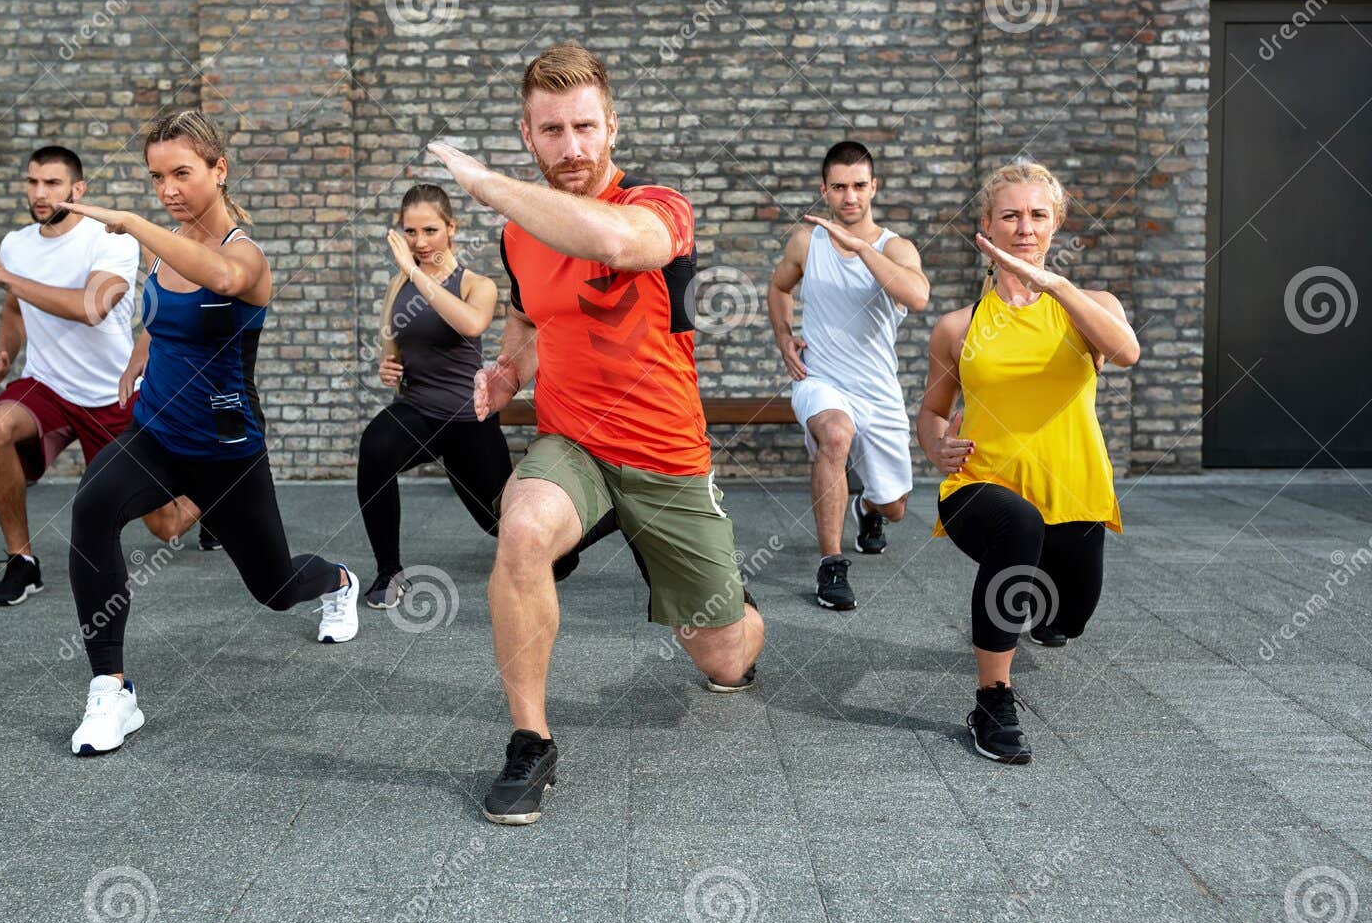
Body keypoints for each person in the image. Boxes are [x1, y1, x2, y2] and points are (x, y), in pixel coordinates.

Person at [431, 42, 765, 826]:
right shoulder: (520, 234)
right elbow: (525, 314)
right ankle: (531, 741)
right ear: (528, 133)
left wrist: (488, 186)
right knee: (519, 531)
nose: (571, 148)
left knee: (724, 657)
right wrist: (510, 372)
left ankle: (732, 605)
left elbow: (618, 244)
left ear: (612, 125)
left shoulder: (660, 205)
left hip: (665, 455)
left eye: (585, 126)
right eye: (552, 131)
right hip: (573, 444)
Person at [54, 110, 359, 756]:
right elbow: (164, 310)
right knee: (90, 508)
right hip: (158, 431)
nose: (167, 189)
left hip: (227, 451)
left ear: (219, 170)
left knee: (274, 587)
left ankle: (337, 582)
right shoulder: (168, 245)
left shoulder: (245, 253)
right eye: (156, 176)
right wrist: (141, 347)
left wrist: (134, 226)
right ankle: (112, 689)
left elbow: (222, 281)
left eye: (182, 173)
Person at [917, 161, 1139, 765]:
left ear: (1055, 224)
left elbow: (1126, 352)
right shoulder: (958, 327)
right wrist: (935, 444)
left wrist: (1055, 286)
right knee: (1017, 527)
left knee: (1067, 615)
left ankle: (1041, 610)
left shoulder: (1089, 306)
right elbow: (932, 412)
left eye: (1037, 215)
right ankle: (992, 698)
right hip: (979, 488)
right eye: (1009, 215)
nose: (1024, 227)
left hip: (1073, 494)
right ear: (985, 227)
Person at [0, 146, 195, 608]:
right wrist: (6, 352)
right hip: (48, 386)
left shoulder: (112, 240)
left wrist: (6, 278)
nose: (40, 193)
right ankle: (22, 561)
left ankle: (210, 491)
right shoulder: (16, 245)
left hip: (112, 396)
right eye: (32, 182)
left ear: (77, 190)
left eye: (53, 184)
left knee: (166, 526)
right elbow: (14, 308)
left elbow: (91, 308)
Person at [358, 184, 621, 608]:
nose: (419, 242)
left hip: (468, 420)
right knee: (375, 448)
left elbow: (471, 325)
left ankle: (608, 518)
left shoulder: (477, 285)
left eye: (429, 230)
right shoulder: (397, 285)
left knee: (504, 525)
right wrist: (389, 365)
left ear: (451, 228)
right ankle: (389, 571)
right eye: (409, 232)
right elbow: (391, 349)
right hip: (418, 412)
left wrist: (416, 272)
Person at [767, 140, 929, 610]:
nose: (850, 196)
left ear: (874, 187)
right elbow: (778, 287)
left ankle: (867, 509)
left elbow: (917, 296)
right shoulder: (806, 241)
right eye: (839, 187)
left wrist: (861, 248)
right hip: (821, 380)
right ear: (825, 190)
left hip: (876, 391)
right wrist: (784, 337)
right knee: (834, 436)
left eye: (859, 186)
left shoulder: (895, 247)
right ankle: (832, 564)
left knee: (895, 507)